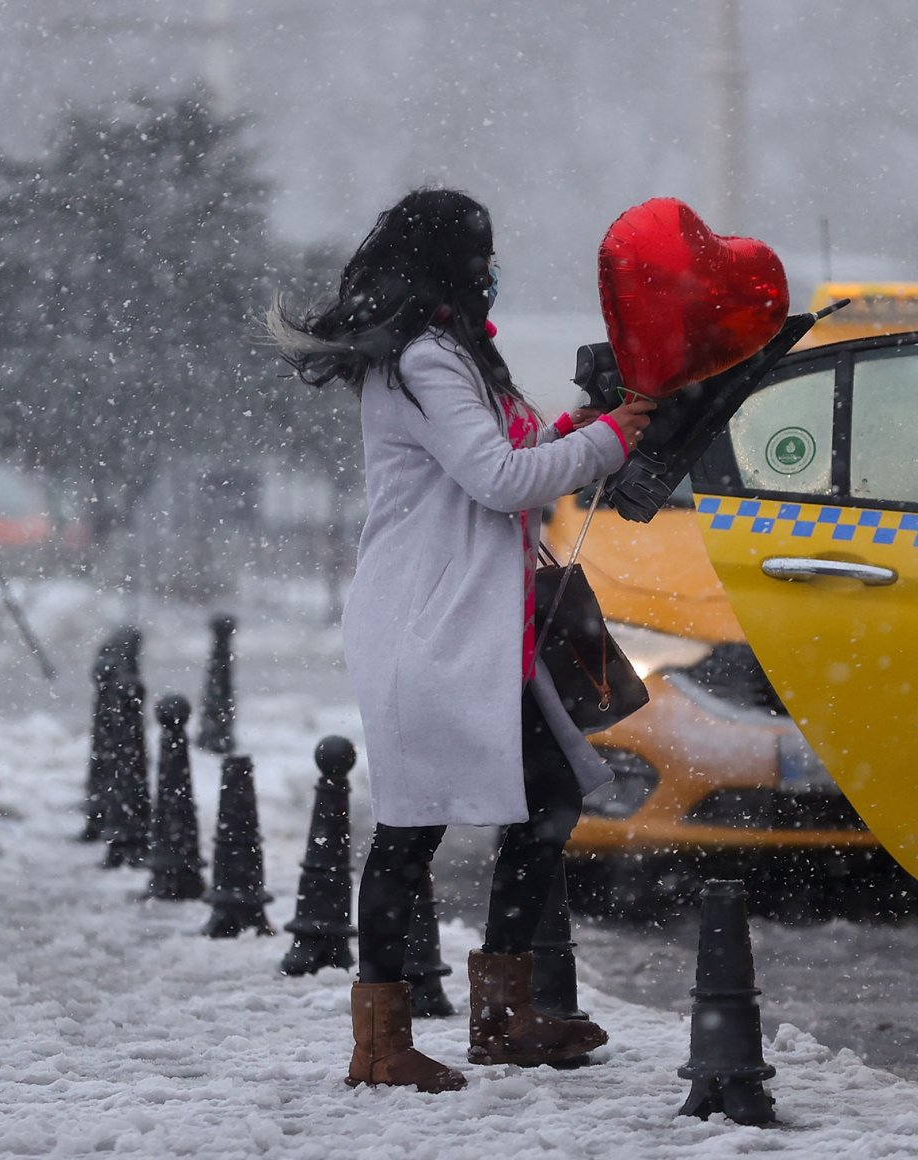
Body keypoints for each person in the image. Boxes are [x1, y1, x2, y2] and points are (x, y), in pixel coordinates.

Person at [269, 188, 655, 1093]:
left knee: (546, 802)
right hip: (429, 626)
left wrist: (583, 430)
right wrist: (604, 442)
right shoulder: (424, 360)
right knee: (409, 832)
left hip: (477, 627)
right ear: (445, 260)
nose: (490, 269)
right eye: (479, 253)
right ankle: (382, 1040)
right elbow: (496, 478)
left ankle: (503, 1015)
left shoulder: (450, 353)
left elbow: (511, 452)